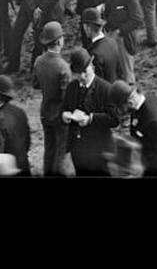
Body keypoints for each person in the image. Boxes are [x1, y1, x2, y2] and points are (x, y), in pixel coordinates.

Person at [61, 47, 118, 176]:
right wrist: (65, 115)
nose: (82, 76)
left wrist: (91, 118)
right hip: (79, 150)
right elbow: (65, 108)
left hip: (100, 151)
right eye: (78, 73)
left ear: (92, 66)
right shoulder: (71, 88)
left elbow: (115, 119)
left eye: (84, 71)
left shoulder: (105, 88)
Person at [32, 21, 72, 176]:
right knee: (61, 151)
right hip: (60, 114)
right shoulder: (63, 66)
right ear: (59, 41)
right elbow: (65, 96)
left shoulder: (38, 61)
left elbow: (35, 84)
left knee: (49, 148)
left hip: (45, 110)